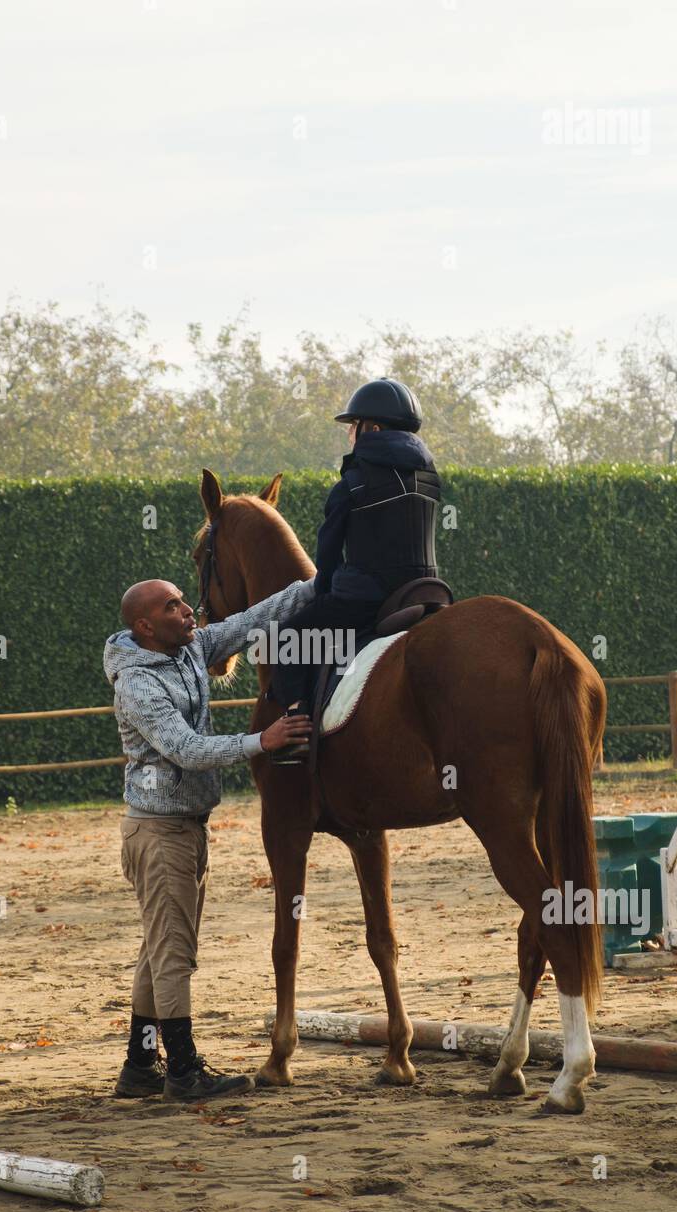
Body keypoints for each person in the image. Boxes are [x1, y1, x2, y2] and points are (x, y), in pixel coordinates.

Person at [103, 574, 314, 1100]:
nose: (187, 610)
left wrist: (320, 578)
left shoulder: (191, 646)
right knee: (174, 955)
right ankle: (183, 1071)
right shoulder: (137, 684)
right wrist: (261, 741)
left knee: (158, 952)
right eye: (173, 607)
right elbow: (187, 749)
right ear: (145, 627)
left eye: (183, 600)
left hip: (183, 827)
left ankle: (138, 1066)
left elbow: (250, 621)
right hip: (159, 834)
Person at [268, 377, 442, 763]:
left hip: (367, 598)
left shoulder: (352, 482)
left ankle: (296, 730)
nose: (351, 434)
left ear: (373, 428)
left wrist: (327, 591)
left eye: (354, 425)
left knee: (287, 638)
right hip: (427, 592)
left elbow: (328, 558)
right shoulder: (430, 476)